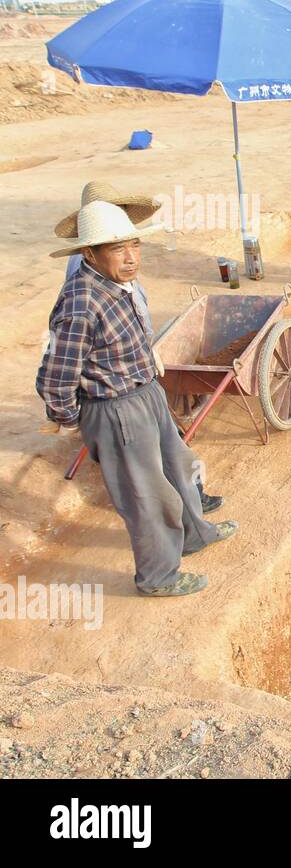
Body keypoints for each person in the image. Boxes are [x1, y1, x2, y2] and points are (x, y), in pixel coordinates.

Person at [37, 202, 238, 597]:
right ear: (89, 254)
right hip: (116, 409)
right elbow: (55, 376)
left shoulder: (117, 287)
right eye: (117, 249)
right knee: (146, 494)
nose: (131, 258)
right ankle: (158, 576)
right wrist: (75, 417)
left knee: (179, 468)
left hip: (145, 393)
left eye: (135, 245)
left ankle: (194, 535)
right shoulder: (80, 303)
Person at [54, 183, 225, 513]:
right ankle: (184, 506)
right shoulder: (87, 278)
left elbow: (133, 313)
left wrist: (149, 351)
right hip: (121, 386)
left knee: (170, 446)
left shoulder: (114, 265)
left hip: (136, 373)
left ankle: (189, 502)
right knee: (160, 449)